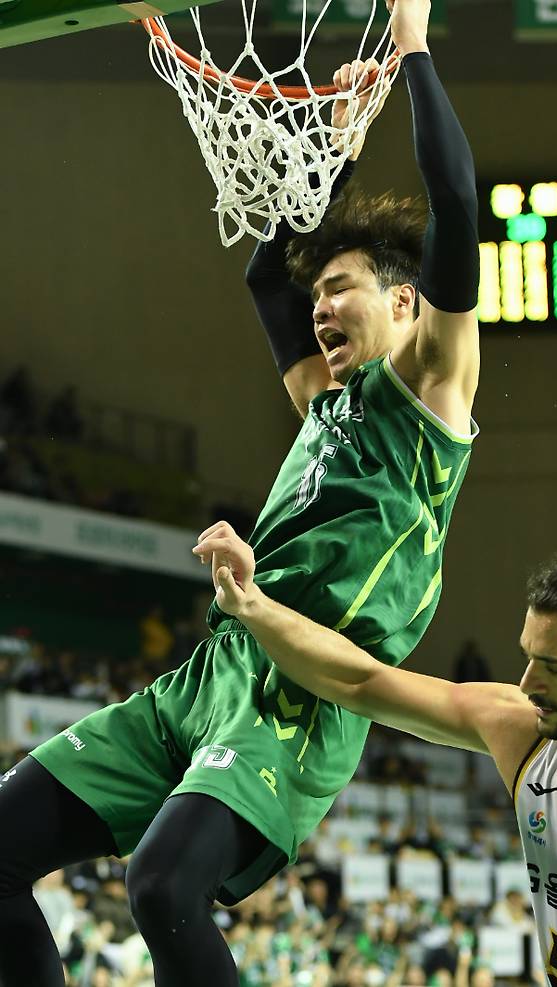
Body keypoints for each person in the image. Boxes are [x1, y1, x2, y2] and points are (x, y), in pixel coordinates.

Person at [0, 0, 480, 983]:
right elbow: (270, 276)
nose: (317, 305)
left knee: (163, 888)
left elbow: (458, 207)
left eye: (340, 286)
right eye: (322, 298)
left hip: (303, 690)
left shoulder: (432, 389)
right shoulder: (322, 404)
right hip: (210, 673)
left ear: (403, 301)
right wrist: (338, 143)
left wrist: (409, 46)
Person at [197, 521, 557, 987]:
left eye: (555, 668)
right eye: (529, 656)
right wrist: (250, 602)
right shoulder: (526, 730)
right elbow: (362, 682)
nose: (526, 683)